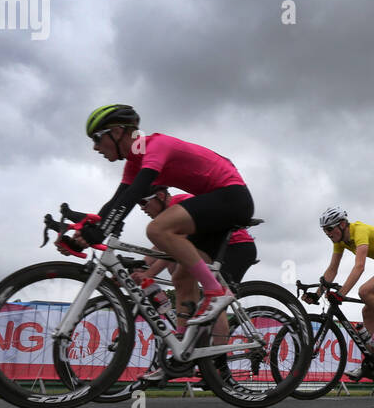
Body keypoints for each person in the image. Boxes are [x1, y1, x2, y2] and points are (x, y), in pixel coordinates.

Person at [69, 105, 252, 329]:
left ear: (117, 132)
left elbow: (135, 193)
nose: (95, 147)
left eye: (97, 138)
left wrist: (100, 231)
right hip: (215, 205)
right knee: (181, 277)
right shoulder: (133, 163)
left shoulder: (155, 146)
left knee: (157, 229)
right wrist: (86, 230)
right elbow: (117, 200)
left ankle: (215, 292)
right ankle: (182, 348)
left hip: (232, 197)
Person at [129, 187, 258, 332]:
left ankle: (217, 353)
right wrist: (141, 266)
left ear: (160, 196)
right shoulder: (168, 217)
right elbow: (161, 246)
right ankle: (184, 339)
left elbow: (177, 248)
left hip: (236, 247)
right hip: (214, 249)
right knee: (179, 277)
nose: (142, 209)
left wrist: (149, 273)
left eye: (143, 203)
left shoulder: (180, 205)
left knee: (216, 304)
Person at [310, 207, 374, 379]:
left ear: (341, 224)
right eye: (324, 230)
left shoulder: (359, 230)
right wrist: (317, 294)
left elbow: (359, 266)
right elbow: (332, 269)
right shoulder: (339, 242)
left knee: (364, 291)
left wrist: (341, 293)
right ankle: (373, 360)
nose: (327, 233)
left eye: (329, 229)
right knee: (367, 311)